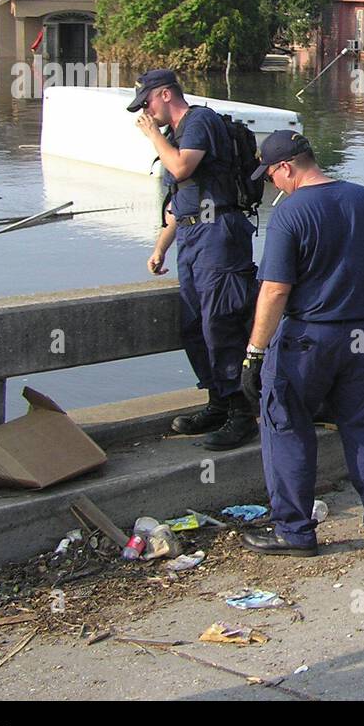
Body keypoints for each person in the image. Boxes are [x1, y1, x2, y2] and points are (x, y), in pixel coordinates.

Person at [238, 130, 364, 556]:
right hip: (363, 336)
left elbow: (276, 290)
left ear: (286, 168)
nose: (272, 186)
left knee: (288, 428)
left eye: (271, 176)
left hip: (307, 341)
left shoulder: (290, 213)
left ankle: (295, 531)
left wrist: (254, 352)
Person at [131, 69, 258, 450]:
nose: (145, 112)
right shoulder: (176, 135)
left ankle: (241, 412)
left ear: (166, 94)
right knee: (193, 325)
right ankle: (218, 401)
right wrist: (161, 247)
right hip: (191, 234)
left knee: (221, 322)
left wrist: (153, 136)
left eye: (147, 103)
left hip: (219, 234)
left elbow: (182, 167)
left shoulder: (199, 121)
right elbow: (180, 202)